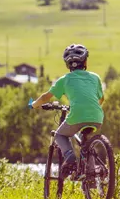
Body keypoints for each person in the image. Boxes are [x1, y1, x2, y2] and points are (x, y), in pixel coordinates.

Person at [32, 43, 105, 175]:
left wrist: (34, 105)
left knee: (59, 135)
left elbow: (45, 97)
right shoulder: (95, 77)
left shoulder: (65, 79)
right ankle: (91, 176)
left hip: (77, 115)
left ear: (67, 64)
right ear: (85, 62)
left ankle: (70, 157)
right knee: (86, 143)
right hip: (97, 116)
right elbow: (101, 99)